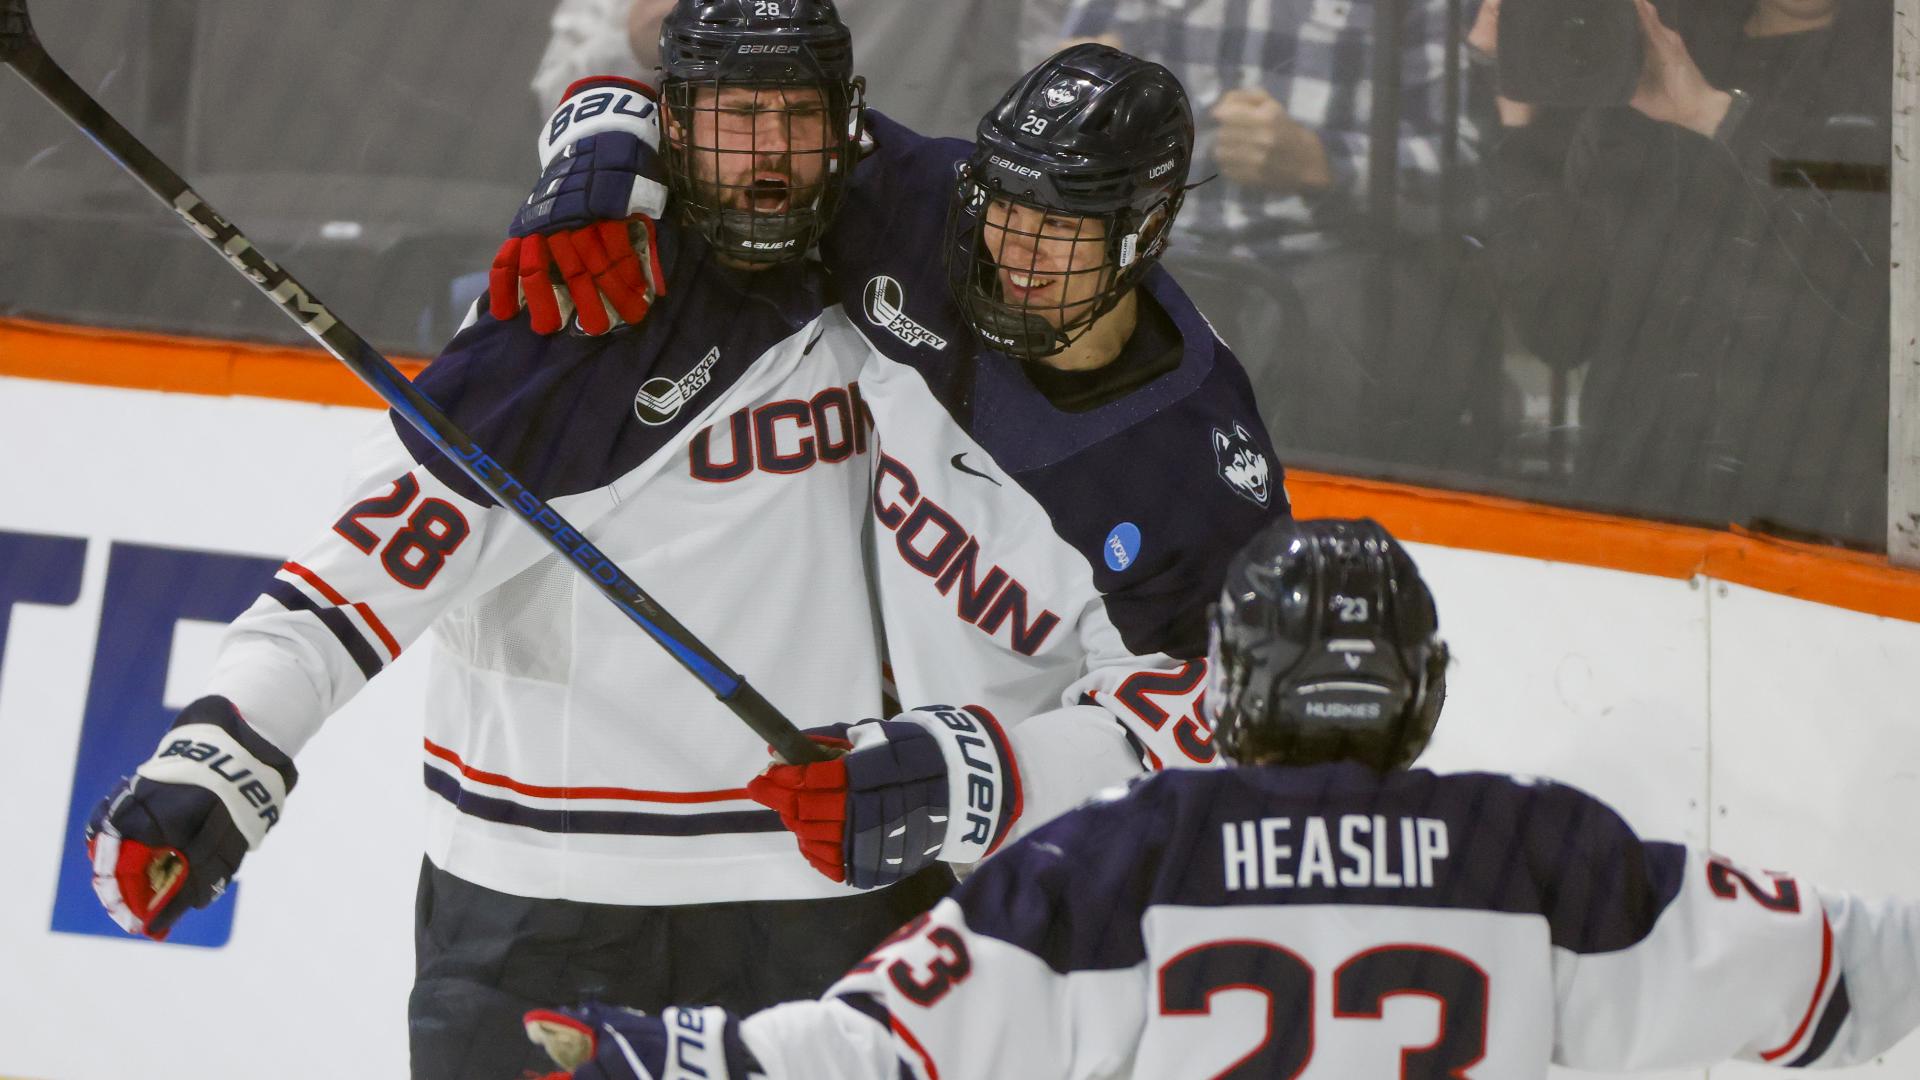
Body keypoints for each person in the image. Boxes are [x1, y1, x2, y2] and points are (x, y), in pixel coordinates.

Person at [81, 7, 951, 1080]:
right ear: (674, 125)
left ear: (847, 127)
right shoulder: (571, 306)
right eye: (736, 118)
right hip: (550, 904)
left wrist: (597, 122)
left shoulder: (899, 285)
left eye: (797, 119)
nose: (769, 155)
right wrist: (217, 754)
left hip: (828, 883)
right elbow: (351, 584)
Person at [523, 516, 1920, 1079]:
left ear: (1237, 692)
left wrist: (665, 1048)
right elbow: (1853, 977)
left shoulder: (1121, 859)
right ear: (1419, 687)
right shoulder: (1537, 851)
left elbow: (873, 1056)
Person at [496, 43, 1291, 895]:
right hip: (848, 792)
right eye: (1009, 208)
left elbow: (1207, 732)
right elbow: (735, 119)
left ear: (1148, 228)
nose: (1017, 251)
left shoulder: (1196, 474)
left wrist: (958, 779)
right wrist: (604, 159)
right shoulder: (928, 210)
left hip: (1033, 871)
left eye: (1060, 226)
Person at [1474, 0, 1890, 545]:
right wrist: (1517, 113)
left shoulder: (1900, 73)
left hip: (1824, 528)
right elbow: (1560, 329)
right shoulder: (1642, 69)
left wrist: (1716, 116)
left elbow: (1878, 238)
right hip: (1635, 507)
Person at [1045, 0, 1505, 471]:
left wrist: (1322, 163)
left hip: (1334, 260)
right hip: (1155, 253)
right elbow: (1050, 105)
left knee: (1343, 353)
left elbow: (1469, 171)